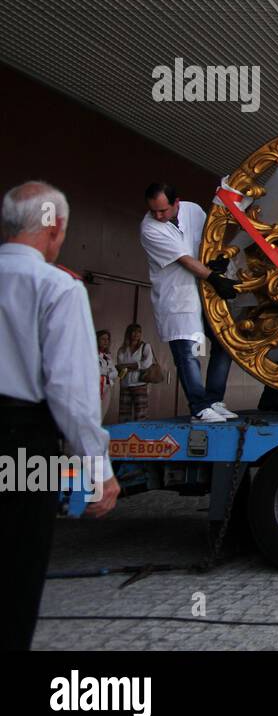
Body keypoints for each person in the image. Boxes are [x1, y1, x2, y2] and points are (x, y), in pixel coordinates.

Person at [1, 181, 119, 650]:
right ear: (54, 228)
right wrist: (98, 472)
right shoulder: (56, 288)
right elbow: (71, 392)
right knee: (15, 567)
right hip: (21, 440)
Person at [140, 183, 239, 423]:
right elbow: (184, 259)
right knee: (187, 353)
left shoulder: (193, 210)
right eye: (154, 211)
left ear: (177, 203)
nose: (158, 216)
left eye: (163, 210)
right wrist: (214, 278)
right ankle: (199, 407)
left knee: (224, 343)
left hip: (203, 293)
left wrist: (218, 261)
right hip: (177, 298)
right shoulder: (149, 229)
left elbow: (209, 238)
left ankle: (214, 399)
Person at [115, 323, 155, 421]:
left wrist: (128, 366)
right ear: (129, 333)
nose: (136, 334)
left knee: (141, 414)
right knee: (124, 415)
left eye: (139, 332)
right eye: (134, 331)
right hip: (125, 384)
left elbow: (146, 364)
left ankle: (140, 435)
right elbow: (120, 366)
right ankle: (124, 435)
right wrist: (136, 365)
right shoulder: (123, 349)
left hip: (140, 384)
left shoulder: (145, 346)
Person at [95, 329, 115, 420]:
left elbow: (115, 373)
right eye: (103, 339)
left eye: (107, 339)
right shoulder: (91, 353)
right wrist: (106, 372)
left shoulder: (108, 356)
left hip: (106, 387)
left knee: (102, 414)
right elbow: (94, 370)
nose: (106, 341)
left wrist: (105, 373)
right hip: (95, 387)